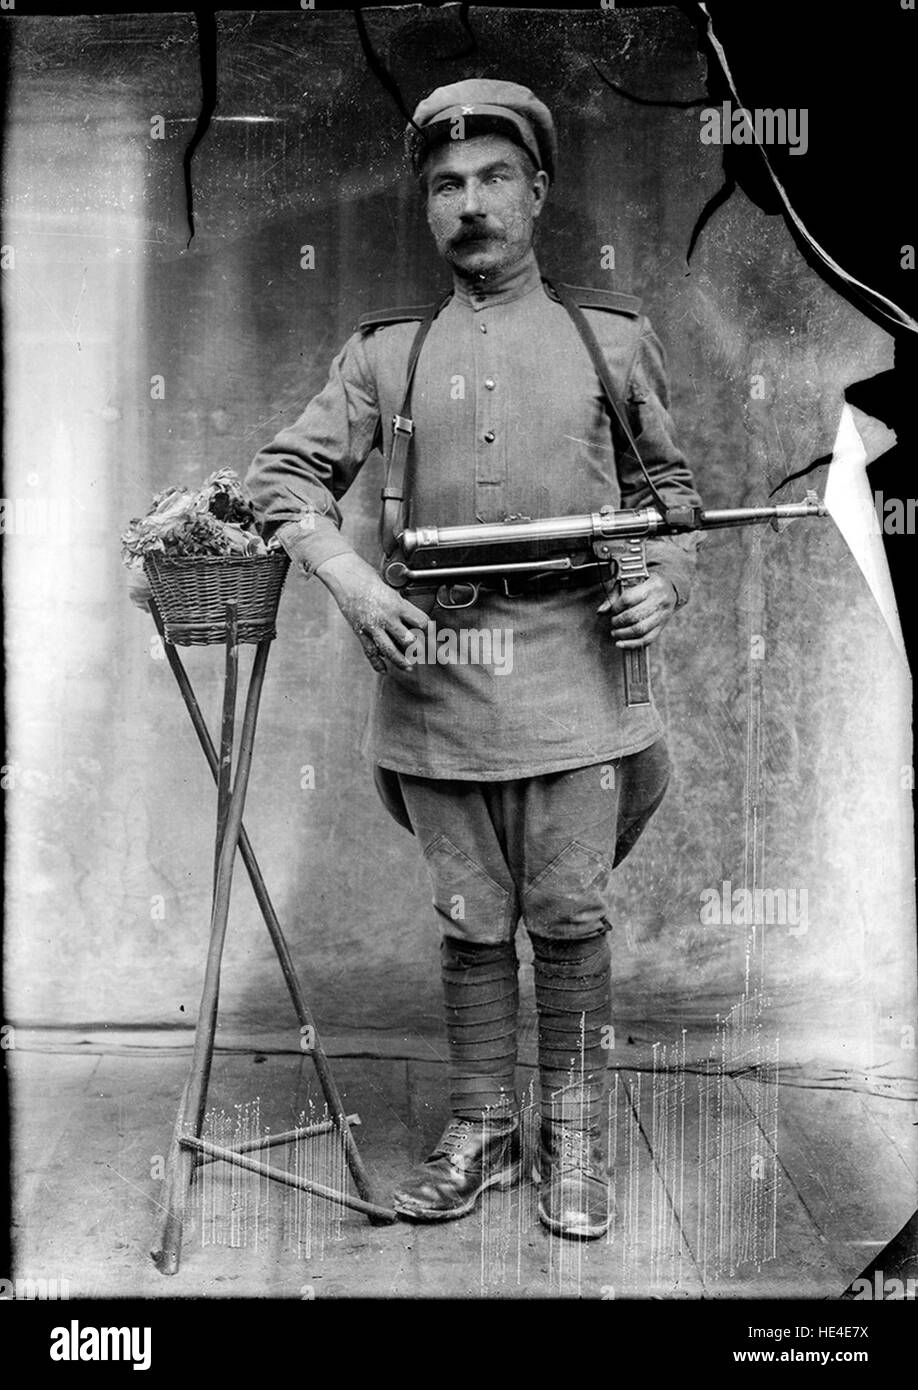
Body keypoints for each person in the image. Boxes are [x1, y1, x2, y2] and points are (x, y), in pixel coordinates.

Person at [245, 79, 702, 1240]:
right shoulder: (383, 357)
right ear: (427, 206)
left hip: (579, 680)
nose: (470, 202)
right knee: (469, 919)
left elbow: (674, 497)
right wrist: (352, 587)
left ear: (538, 191)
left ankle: (582, 1133)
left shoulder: (611, 337)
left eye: (495, 177)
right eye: (446, 185)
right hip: (435, 681)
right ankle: (484, 1127)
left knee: (569, 914)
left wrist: (668, 577)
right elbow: (279, 482)